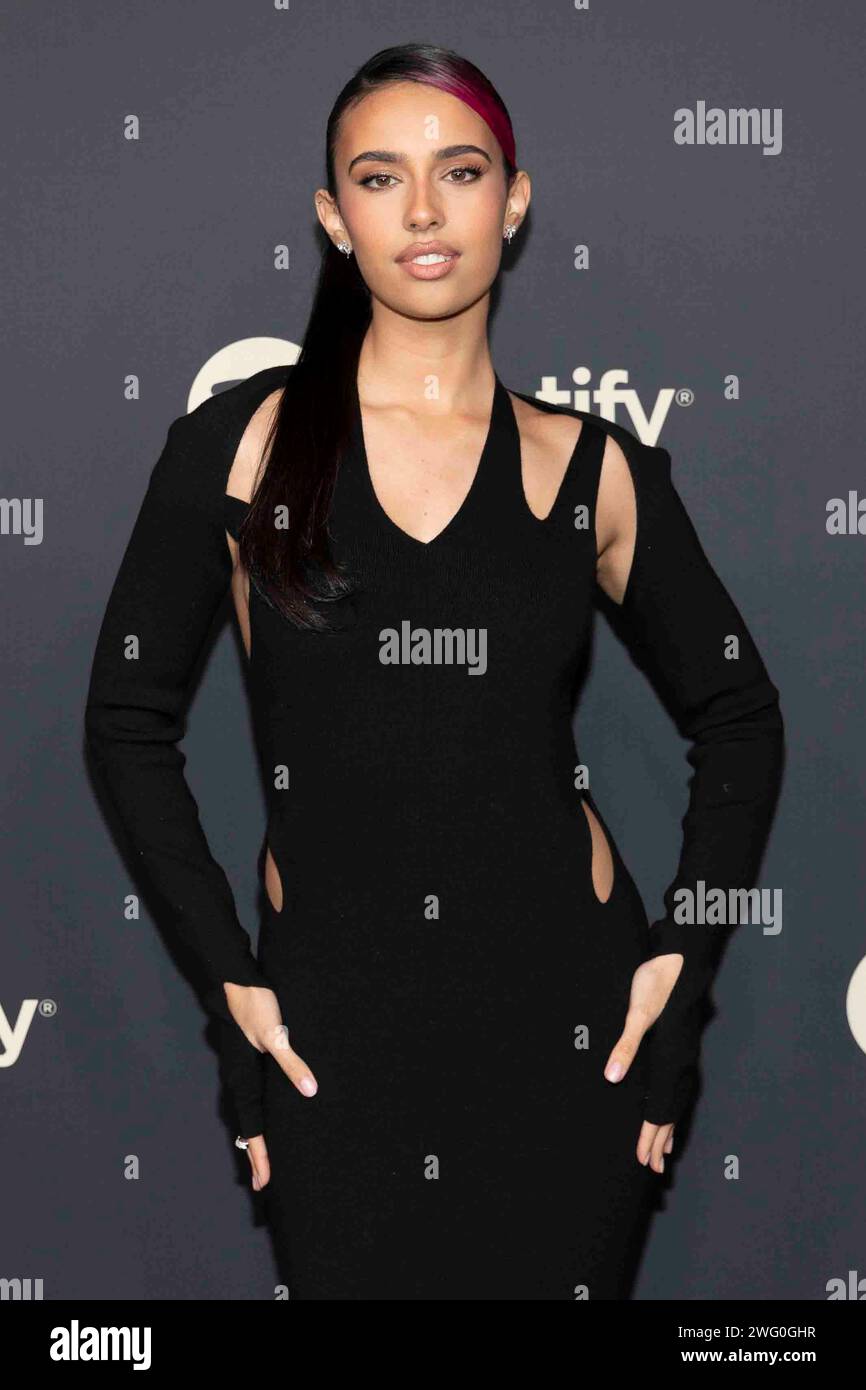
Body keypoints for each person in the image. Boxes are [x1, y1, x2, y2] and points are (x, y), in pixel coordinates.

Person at [84, 43, 784, 1299]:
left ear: (512, 201)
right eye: (378, 176)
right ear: (330, 216)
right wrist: (231, 985)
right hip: (330, 1040)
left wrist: (679, 970)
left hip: (568, 1034)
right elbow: (127, 722)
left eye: (457, 172)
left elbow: (738, 714)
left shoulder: (590, 468)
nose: (420, 211)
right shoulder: (238, 451)